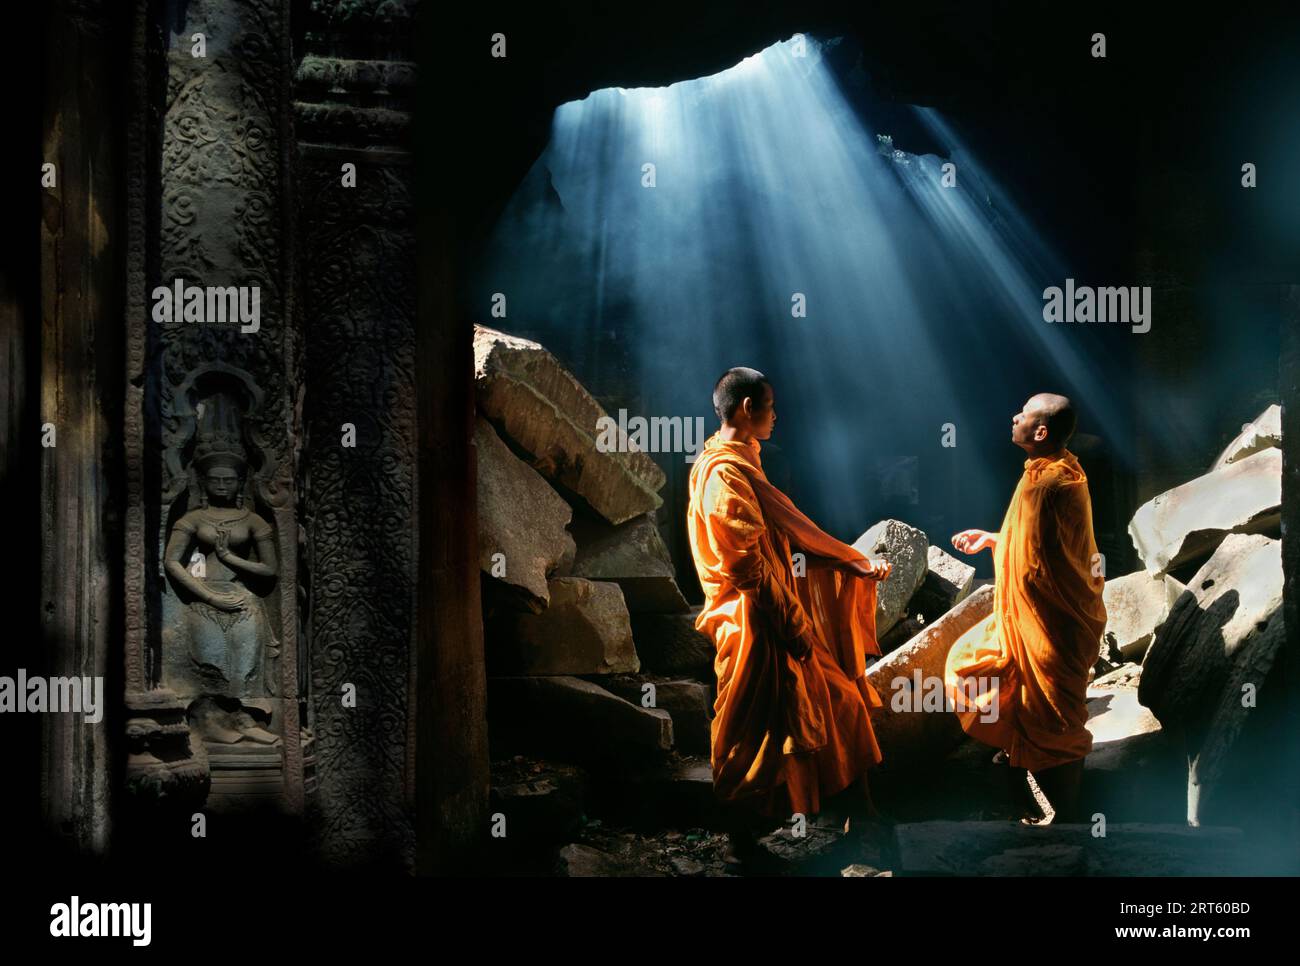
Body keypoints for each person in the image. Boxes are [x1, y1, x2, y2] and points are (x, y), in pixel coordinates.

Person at [686, 367, 891, 870]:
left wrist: (847, 563)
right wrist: (795, 628)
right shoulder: (722, 474)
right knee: (751, 735)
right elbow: (745, 568)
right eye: (770, 407)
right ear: (747, 409)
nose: (777, 416)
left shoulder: (742, 463)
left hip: (775, 619)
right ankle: (741, 842)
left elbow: (781, 542)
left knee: (842, 706)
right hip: (757, 625)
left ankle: (861, 820)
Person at [945, 393, 1107, 823]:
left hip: (1051, 626)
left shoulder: (1053, 482)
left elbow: (1047, 561)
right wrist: (995, 538)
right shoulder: (1047, 472)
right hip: (1027, 618)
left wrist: (1007, 549)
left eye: (1024, 413)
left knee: (1053, 718)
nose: (1013, 416)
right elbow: (1035, 546)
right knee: (972, 670)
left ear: (1040, 431)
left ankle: (1069, 821)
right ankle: (1015, 771)